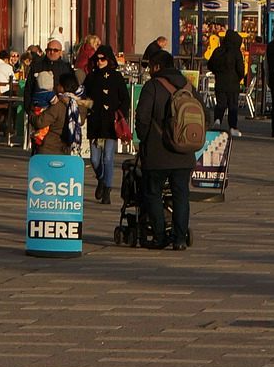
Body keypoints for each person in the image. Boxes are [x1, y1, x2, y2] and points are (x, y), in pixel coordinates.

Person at [133, 45, 194, 250]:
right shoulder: (187, 85)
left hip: (157, 152)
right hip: (184, 152)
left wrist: (143, 138)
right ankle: (179, 239)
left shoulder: (153, 86)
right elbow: (206, 116)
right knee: (181, 195)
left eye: (150, 66)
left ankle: (159, 236)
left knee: (152, 193)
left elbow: (142, 117)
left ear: (157, 66)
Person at [82, 44, 129, 203]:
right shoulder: (91, 77)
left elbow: (125, 99)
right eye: (97, 59)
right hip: (95, 122)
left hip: (111, 123)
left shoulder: (117, 77)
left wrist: (120, 114)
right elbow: (85, 97)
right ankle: (101, 178)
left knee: (108, 157)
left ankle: (107, 189)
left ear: (109, 60)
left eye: (103, 59)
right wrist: (87, 108)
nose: (100, 61)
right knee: (95, 159)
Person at [30, 71, 84, 156]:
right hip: (69, 150)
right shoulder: (78, 105)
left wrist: (32, 114)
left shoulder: (58, 106)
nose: (56, 86)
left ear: (63, 88)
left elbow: (39, 122)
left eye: (59, 84)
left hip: (51, 148)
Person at [208, 30, 246, 132]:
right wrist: (239, 77)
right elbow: (240, 69)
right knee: (232, 105)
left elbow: (210, 65)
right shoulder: (236, 53)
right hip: (233, 83)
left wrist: (217, 73)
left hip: (220, 82)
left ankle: (217, 120)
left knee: (221, 103)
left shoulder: (218, 51)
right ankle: (232, 127)